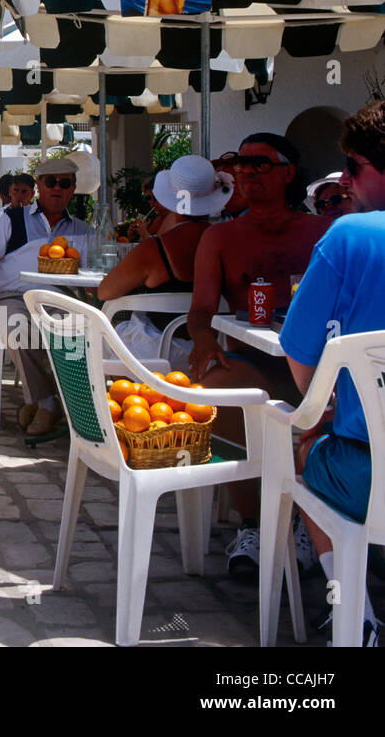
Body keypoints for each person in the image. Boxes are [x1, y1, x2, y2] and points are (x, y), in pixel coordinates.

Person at [184, 132, 330, 577]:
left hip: (318, 368)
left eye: (260, 164)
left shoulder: (322, 232)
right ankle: (254, 524)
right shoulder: (221, 238)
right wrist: (205, 345)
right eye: (240, 163)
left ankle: (314, 521)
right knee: (218, 393)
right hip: (252, 362)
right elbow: (201, 311)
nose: (246, 171)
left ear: (288, 172)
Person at [280, 101, 385, 645]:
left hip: (371, 479)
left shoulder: (348, 236)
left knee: (305, 448)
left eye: (354, 166)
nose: (344, 179)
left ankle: (357, 615)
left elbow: (298, 350)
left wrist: (321, 411)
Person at [0, 157, 91, 436]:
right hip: (15, 296)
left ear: (73, 189)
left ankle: (44, 402)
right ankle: (48, 403)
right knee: (16, 327)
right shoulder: (13, 219)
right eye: (50, 182)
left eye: (64, 183)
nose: (56, 189)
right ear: (39, 186)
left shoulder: (83, 231)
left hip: (61, 300)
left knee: (72, 334)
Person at [96, 156, 230, 362]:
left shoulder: (154, 249)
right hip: (216, 351)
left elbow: (105, 291)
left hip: (155, 355)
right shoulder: (227, 243)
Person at [0, 173, 34, 240]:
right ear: (10, 191)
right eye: (16, 190)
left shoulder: (39, 216)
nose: (19, 195)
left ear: (32, 194)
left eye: (24, 191)